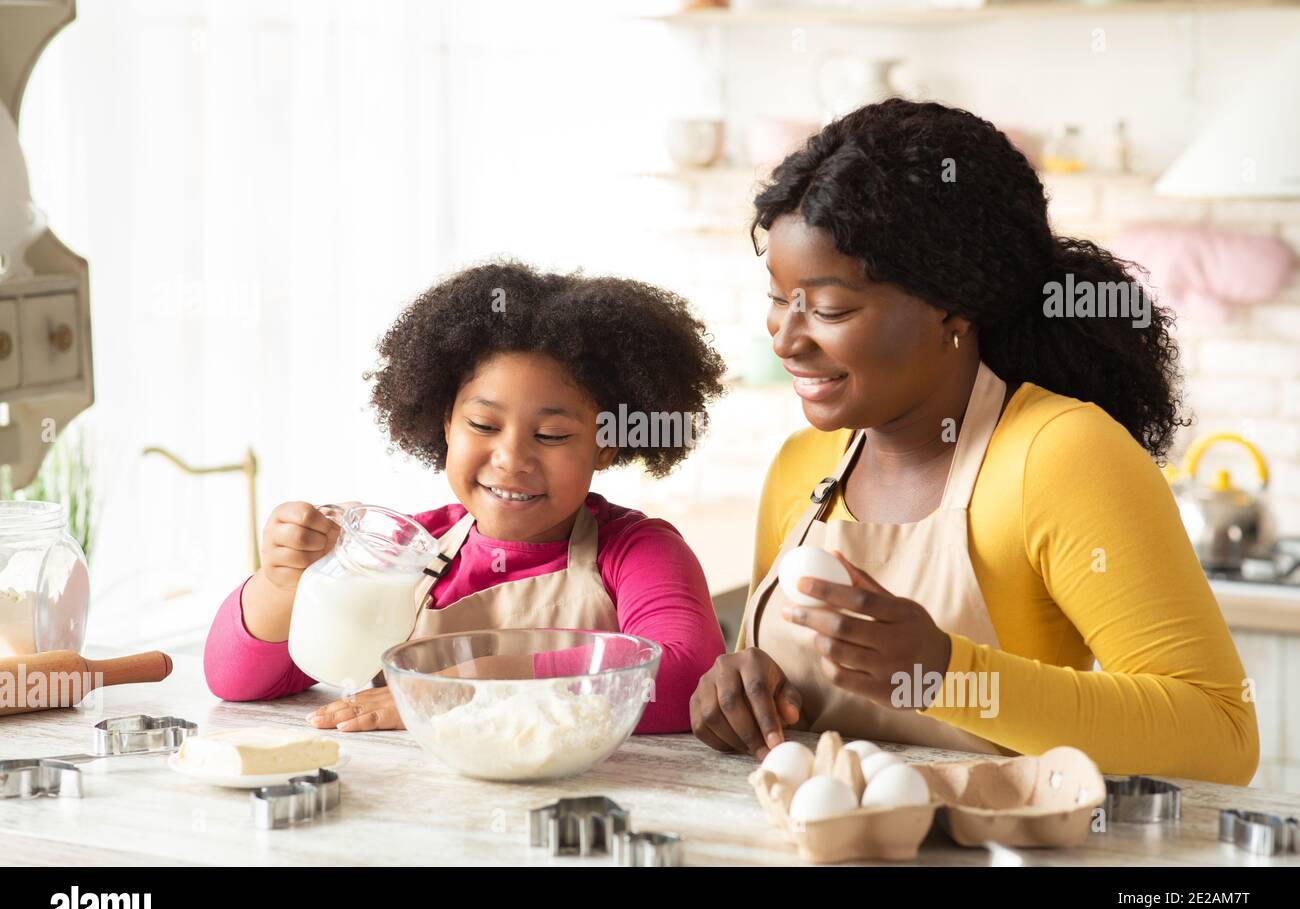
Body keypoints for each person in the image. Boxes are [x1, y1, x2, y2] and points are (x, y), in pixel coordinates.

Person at [690, 99, 1258, 785]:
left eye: (831, 308)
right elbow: (773, 691)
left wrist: (947, 676)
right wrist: (737, 690)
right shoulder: (802, 468)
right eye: (780, 298)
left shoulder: (1060, 454)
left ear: (953, 310)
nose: (785, 338)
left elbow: (1221, 734)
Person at [205, 261, 728, 734]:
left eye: (551, 435)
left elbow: (684, 679)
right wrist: (280, 583)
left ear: (606, 445)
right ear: (445, 424)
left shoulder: (637, 552)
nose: (512, 458)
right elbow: (236, 682)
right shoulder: (409, 553)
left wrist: (461, 688)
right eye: (483, 424)